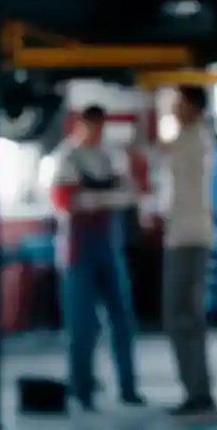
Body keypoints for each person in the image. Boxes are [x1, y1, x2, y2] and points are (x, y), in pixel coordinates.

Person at [50, 104, 145, 411]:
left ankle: (129, 389)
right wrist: (106, 197)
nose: (95, 132)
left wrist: (92, 197)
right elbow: (65, 201)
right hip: (78, 250)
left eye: (99, 127)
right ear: (79, 125)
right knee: (82, 325)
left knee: (123, 320)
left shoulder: (110, 156)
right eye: (90, 126)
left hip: (108, 246)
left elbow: (129, 195)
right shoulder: (67, 156)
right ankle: (82, 391)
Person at [153, 85, 217, 418]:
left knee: (181, 316)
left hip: (186, 239)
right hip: (188, 236)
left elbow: (160, 151)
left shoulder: (191, 140)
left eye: (179, 103)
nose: (174, 109)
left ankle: (197, 392)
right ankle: (197, 390)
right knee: (186, 317)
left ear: (194, 107)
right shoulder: (194, 139)